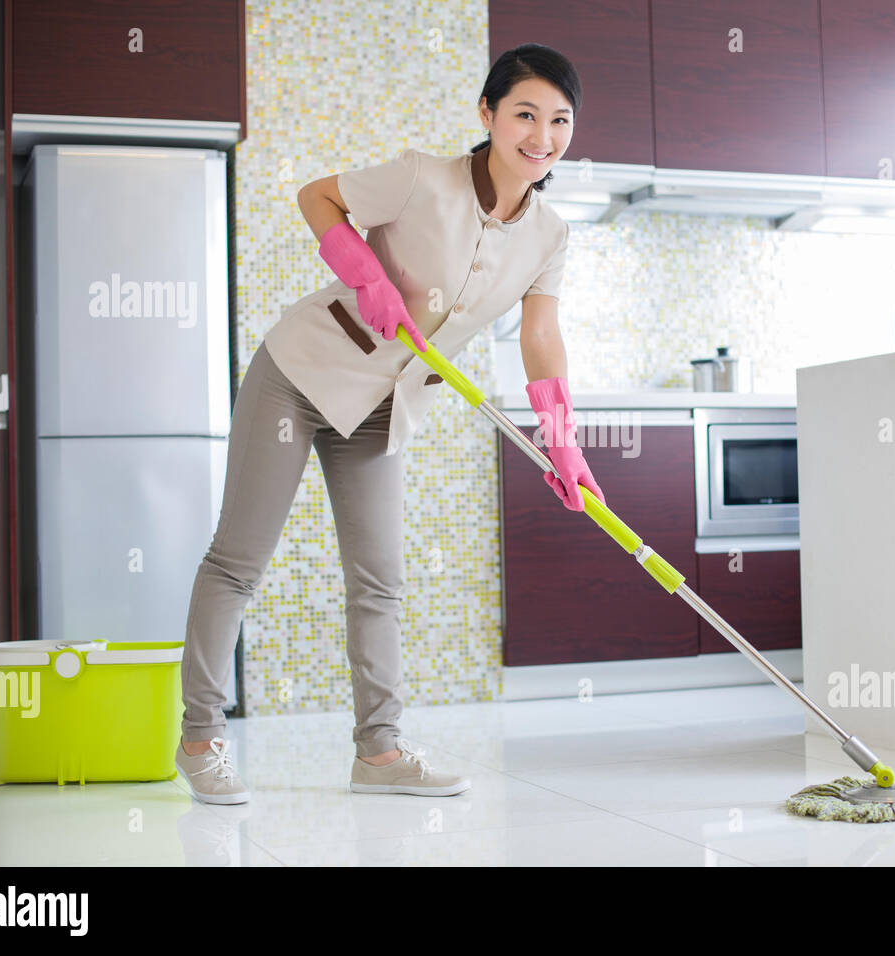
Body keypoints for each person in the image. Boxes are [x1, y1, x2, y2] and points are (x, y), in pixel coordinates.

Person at [174, 43, 606, 805]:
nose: (542, 136)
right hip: (300, 374)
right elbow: (318, 197)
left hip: (384, 405)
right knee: (240, 560)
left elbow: (539, 336)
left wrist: (562, 440)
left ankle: (378, 754)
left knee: (379, 581)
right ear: (488, 114)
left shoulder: (550, 236)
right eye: (525, 114)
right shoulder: (420, 176)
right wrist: (361, 269)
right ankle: (202, 738)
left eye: (559, 121)